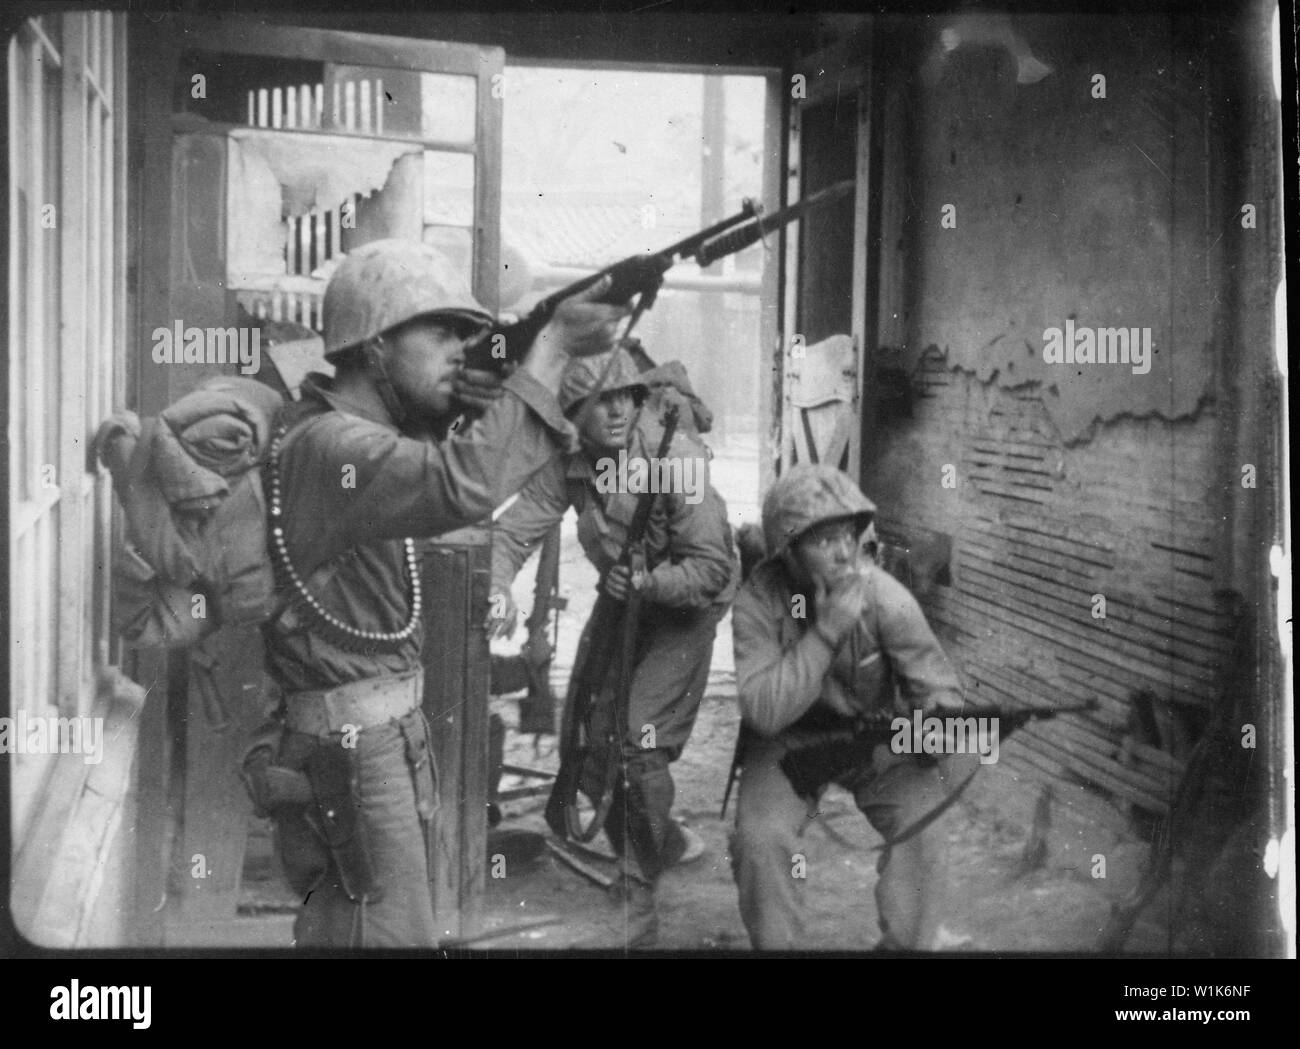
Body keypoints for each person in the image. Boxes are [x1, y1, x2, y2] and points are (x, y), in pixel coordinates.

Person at [241, 238, 623, 948]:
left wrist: (475, 403)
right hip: (349, 753)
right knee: (380, 936)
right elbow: (461, 483)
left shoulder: (364, 435)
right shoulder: (333, 448)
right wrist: (554, 347)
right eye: (441, 331)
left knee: (362, 930)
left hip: (375, 744)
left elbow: (445, 465)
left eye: (468, 335)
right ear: (376, 346)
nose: (462, 350)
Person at [487, 345, 739, 947]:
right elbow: (514, 532)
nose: (618, 410)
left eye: (627, 396)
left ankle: (638, 887)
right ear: (574, 412)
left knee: (638, 740)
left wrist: (652, 582)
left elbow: (712, 567)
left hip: (683, 611)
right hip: (623, 602)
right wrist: (497, 588)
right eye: (601, 401)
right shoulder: (570, 462)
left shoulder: (673, 457)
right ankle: (654, 836)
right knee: (589, 735)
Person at [729, 463, 970, 950]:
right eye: (822, 541)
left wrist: (933, 727)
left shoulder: (884, 596)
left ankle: (906, 944)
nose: (843, 554)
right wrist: (827, 631)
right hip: (787, 742)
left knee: (927, 824)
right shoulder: (757, 602)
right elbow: (763, 711)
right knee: (760, 839)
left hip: (871, 737)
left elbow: (939, 687)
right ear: (789, 552)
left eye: (847, 535)